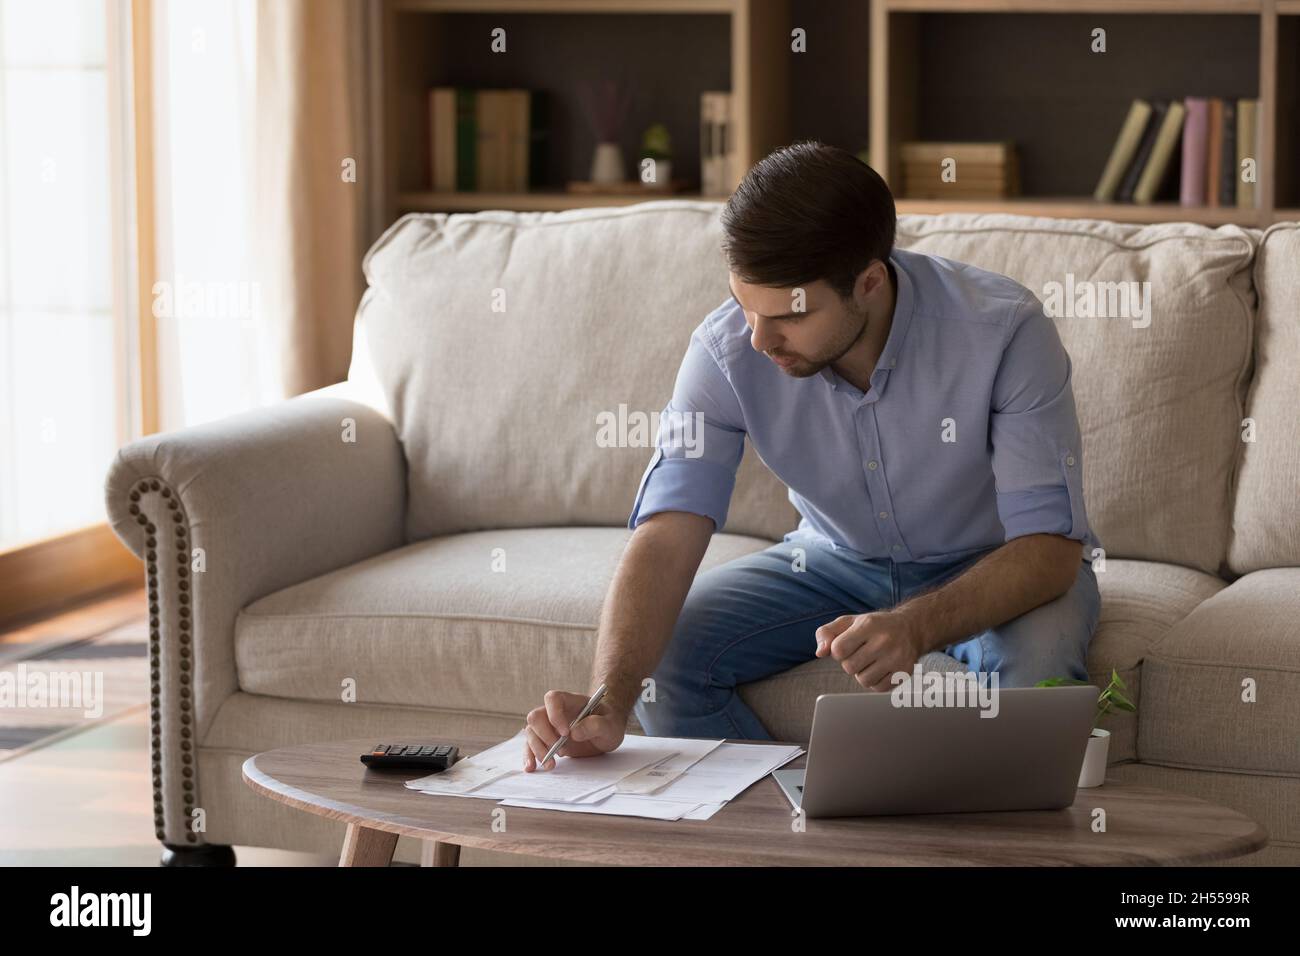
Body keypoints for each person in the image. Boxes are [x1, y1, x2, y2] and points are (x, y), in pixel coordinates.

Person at [523, 141, 1102, 771]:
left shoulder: (1006, 330)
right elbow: (667, 531)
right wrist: (610, 700)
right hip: (829, 560)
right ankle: (786, 829)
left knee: (1037, 687)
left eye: (788, 316)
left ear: (869, 283)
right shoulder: (726, 349)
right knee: (666, 660)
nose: (759, 339)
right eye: (746, 306)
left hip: (997, 563)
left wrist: (912, 626)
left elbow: (1049, 551)